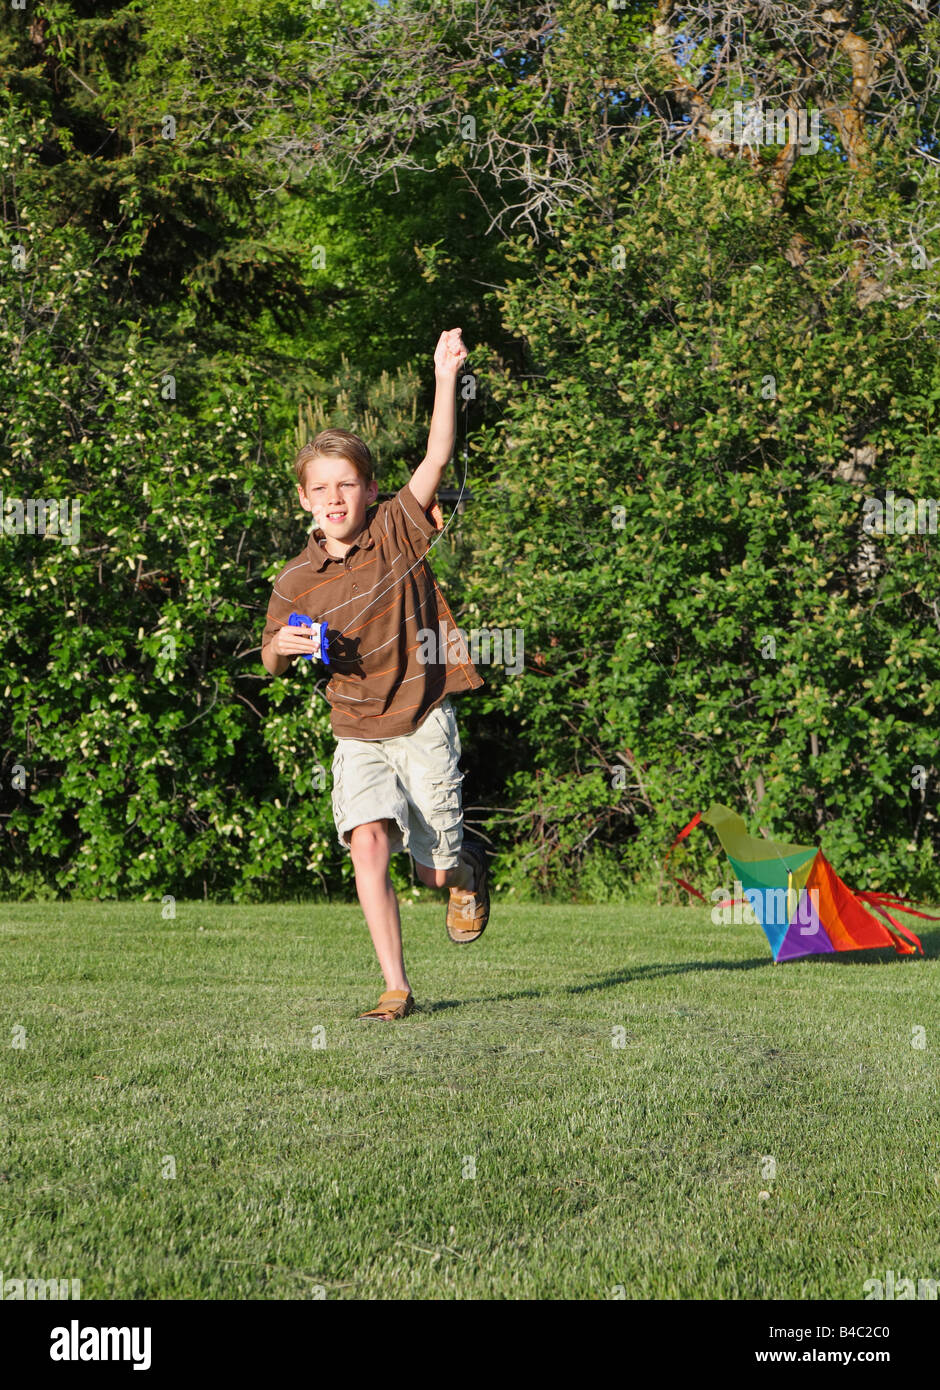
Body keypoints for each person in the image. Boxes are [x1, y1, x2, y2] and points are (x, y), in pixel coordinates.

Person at [261, 328, 489, 1020]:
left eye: (347, 484)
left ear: (369, 490)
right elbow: (268, 657)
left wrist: (444, 374)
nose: (335, 497)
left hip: (421, 716)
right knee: (366, 838)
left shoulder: (398, 527)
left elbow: (438, 454)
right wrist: (286, 647)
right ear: (303, 499)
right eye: (320, 488)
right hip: (356, 728)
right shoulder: (297, 578)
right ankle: (396, 986)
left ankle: (466, 870)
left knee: (432, 866)